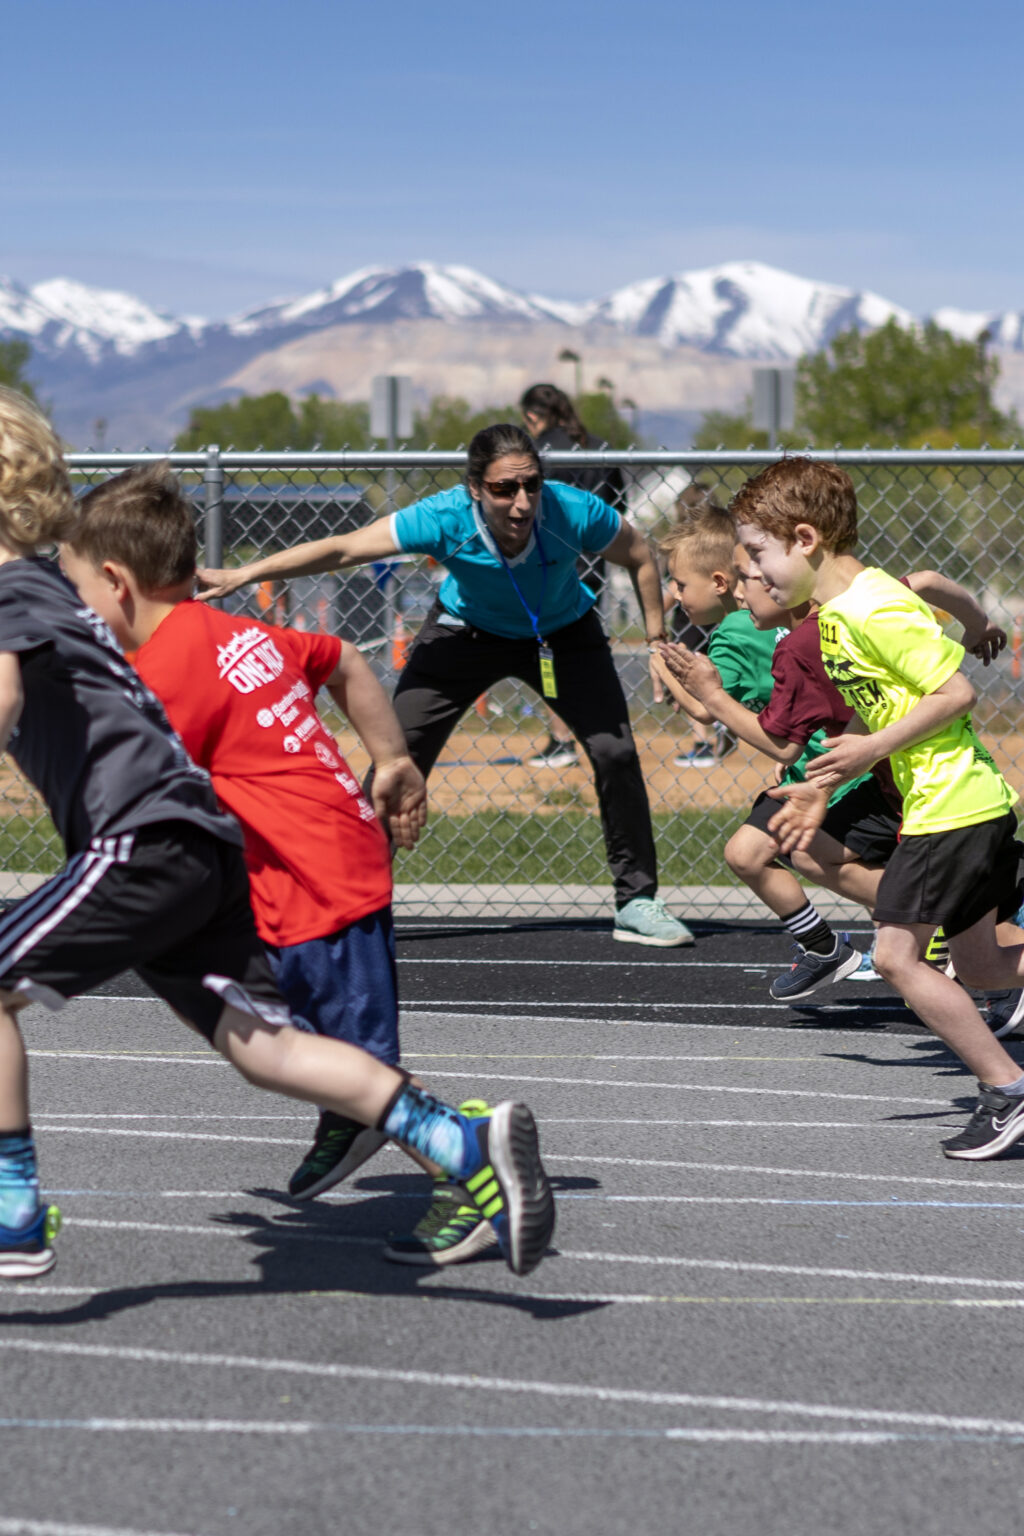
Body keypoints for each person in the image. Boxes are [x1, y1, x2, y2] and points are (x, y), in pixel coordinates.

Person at [0, 385, 555, 1278]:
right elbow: (323, 664)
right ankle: (461, 1144)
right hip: (213, 853)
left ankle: (13, 1216)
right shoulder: (99, 603)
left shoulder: (27, 595)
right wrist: (389, 757)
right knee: (272, 1051)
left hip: (182, 849)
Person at [199, 422, 692, 948]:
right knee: (399, 752)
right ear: (475, 489)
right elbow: (344, 549)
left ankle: (637, 901)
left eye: (531, 486)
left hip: (564, 634)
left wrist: (656, 641)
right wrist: (243, 575)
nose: (522, 503)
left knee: (615, 752)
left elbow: (639, 553)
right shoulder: (442, 517)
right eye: (504, 489)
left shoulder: (572, 510)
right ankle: (351, 898)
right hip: (464, 634)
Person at [735, 457, 1024, 1159]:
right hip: (949, 803)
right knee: (983, 968)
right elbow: (880, 716)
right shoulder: (833, 619)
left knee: (897, 956)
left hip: (953, 802)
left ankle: (1006, 1091)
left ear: (805, 538)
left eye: (757, 553)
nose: (753, 572)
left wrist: (867, 754)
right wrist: (821, 785)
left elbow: (954, 693)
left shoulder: (873, 606)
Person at [519, 383, 626, 769]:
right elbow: (618, 506)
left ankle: (562, 738)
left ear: (533, 416)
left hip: (552, 563)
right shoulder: (596, 444)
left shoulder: (540, 451)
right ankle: (592, 733)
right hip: (594, 560)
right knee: (582, 648)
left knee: (549, 651)